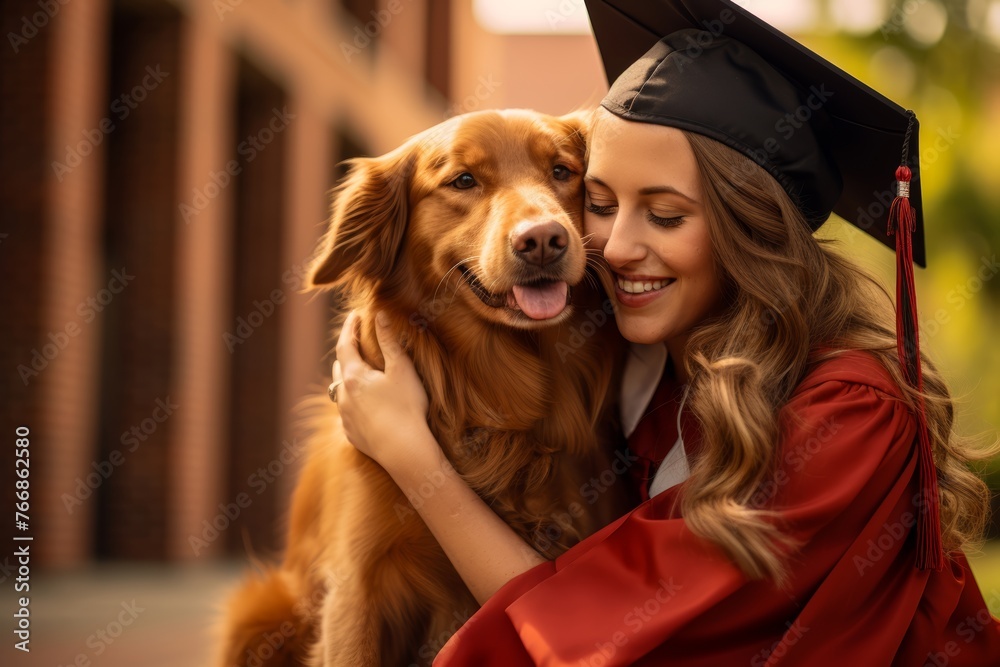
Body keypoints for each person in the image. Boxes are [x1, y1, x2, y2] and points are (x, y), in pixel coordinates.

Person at [329, 0, 1000, 663]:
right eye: (599, 204)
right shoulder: (644, 376)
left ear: (751, 231)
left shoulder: (846, 415)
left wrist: (413, 459)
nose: (615, 248)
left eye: (666, 215)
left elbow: (605, 636)